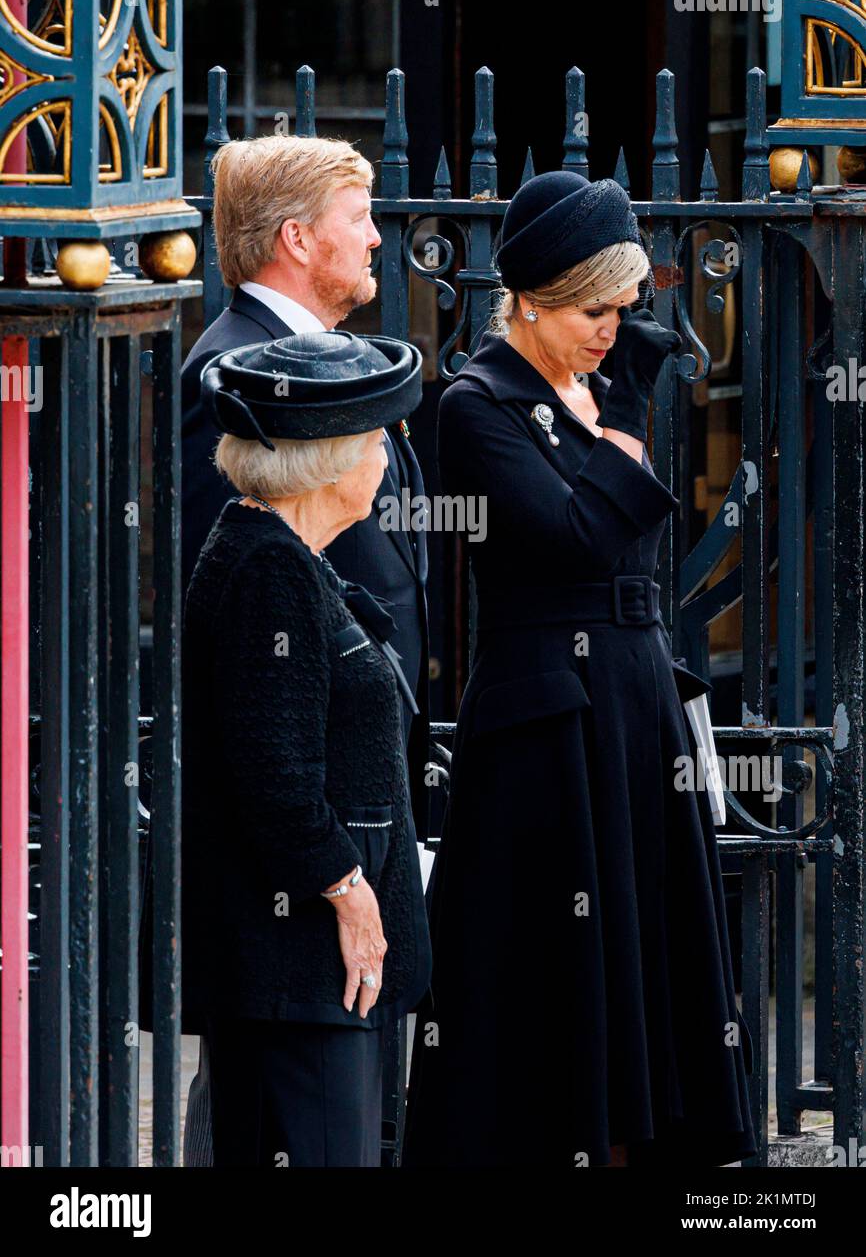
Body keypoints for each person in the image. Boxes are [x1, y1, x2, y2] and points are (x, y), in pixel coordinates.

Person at [401, 172, 757, 1169]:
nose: (611, 330)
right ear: (534, 297)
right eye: (593, 309)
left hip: (632, 699)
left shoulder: (587, 389)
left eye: (621, 310)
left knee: (645, 952)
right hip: (547, 721)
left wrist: (613, 410)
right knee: (556, 974)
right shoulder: (477, 403)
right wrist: (631, 421)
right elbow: (574, 539)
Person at [175, 134, 432, 1166]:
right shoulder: (230, 376)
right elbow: (247, 675)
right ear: (294, 237)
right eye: (356, 218)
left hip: (330, 831)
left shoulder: (320, 366)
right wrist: (337, 875)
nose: (377, 238)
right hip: (293, 887)